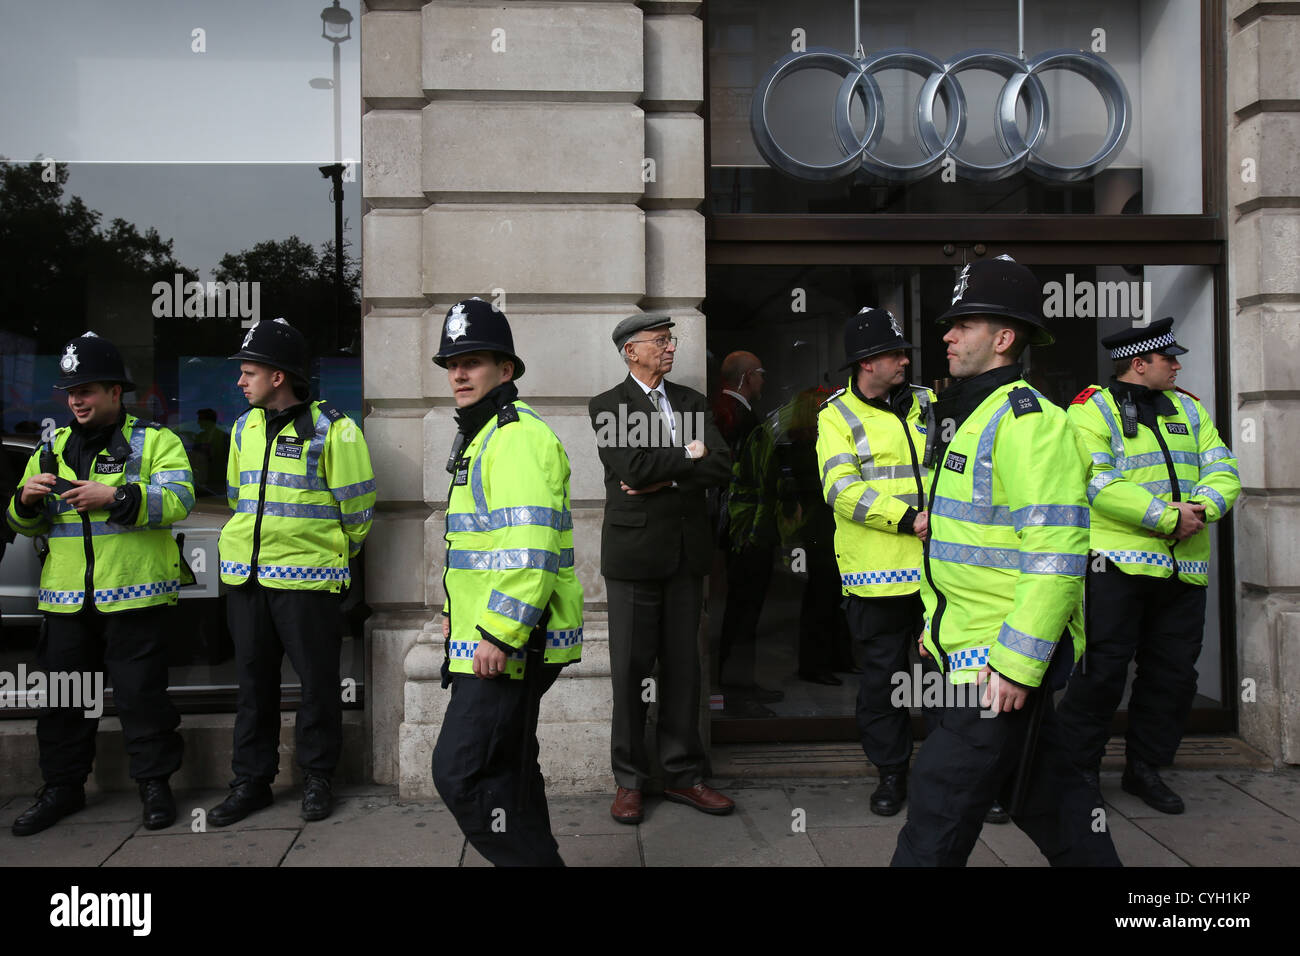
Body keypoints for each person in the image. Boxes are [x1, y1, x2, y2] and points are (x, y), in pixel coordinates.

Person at [891, 256, 1120, 866]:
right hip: (969, 649)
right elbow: (964, 547)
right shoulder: (968, 414)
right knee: (1055, 802)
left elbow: (1057, 553)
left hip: (997, 667)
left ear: (1003, 338)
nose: (947, 335)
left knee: (936, 812)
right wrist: (933, 622)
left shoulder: (1031, 423)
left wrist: (1018, 667)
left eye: (962, 324)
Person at [7, 332, 192, 835]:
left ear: (116, 391)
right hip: (67, 603)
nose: (76, 400)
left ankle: (155, 787)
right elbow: (26, 525)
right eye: (70, 392)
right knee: (64, 703)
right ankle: (62, 790)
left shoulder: (156, 440)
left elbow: (179, 500)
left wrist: (115, 496)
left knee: (142, 701)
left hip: (135, 598)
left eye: (86, 389)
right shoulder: (51, 448)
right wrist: (23, 502)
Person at [1058, 317, 1239, 814]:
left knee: (1173, 676)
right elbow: (1097, 480)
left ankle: (1146, 769)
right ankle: (1078, 776)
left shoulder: (1190, 408)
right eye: (1168, 359)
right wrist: (1165, 518)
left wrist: (1202, 509)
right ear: (1140, 364)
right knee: (1100, 676)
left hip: (1184, 572)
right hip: (1116, 568)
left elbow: (1221, 467)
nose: (1178, 365)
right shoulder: (1090, 411)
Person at [429, 298, 584, 867]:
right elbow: (487, 547)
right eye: (452, 364)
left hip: (511, 642)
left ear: (507, 370)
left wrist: (496, 630)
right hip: (498, 635)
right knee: (509, 767)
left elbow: (529, 548)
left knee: (460, 773)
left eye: (472, 361)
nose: (459, 374)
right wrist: (461, 614)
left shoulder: (515, 437)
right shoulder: (486, 433)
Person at [208, 318, 375, 826]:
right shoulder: (243, 427)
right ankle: (250, 783)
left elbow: (359, 511)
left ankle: (318, 779)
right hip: (247, 581)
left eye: (250, 372)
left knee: (318, 687)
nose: (241, 382)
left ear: (279, 376)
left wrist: (321, 553)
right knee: (252, 687)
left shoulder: (335, 430)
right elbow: (238, 498)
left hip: (308, 585)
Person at [589, 314, 734, 824]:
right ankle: (629, 780)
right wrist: (686, 459)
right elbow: (632, 469)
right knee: (630, 671)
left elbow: (721, 464)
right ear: (631, 351)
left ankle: (682, 775)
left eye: (671, 339)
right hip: (634, 560)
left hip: (687, 556)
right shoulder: (609, 406)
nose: (671, 347)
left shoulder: (691, 403)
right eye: (661, 340)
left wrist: (669, 472)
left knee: (683, 670)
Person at [816, 307, 932, 815]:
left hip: (940, 570)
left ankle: (958, 773)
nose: (904, 360)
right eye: (894, 353)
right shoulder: (835, 415)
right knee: (883, 684)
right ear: (867, 363)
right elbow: (841, 490)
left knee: (954, 676)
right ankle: (891, 774)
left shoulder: (930, 403)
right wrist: (908, 519)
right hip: (878, 575)